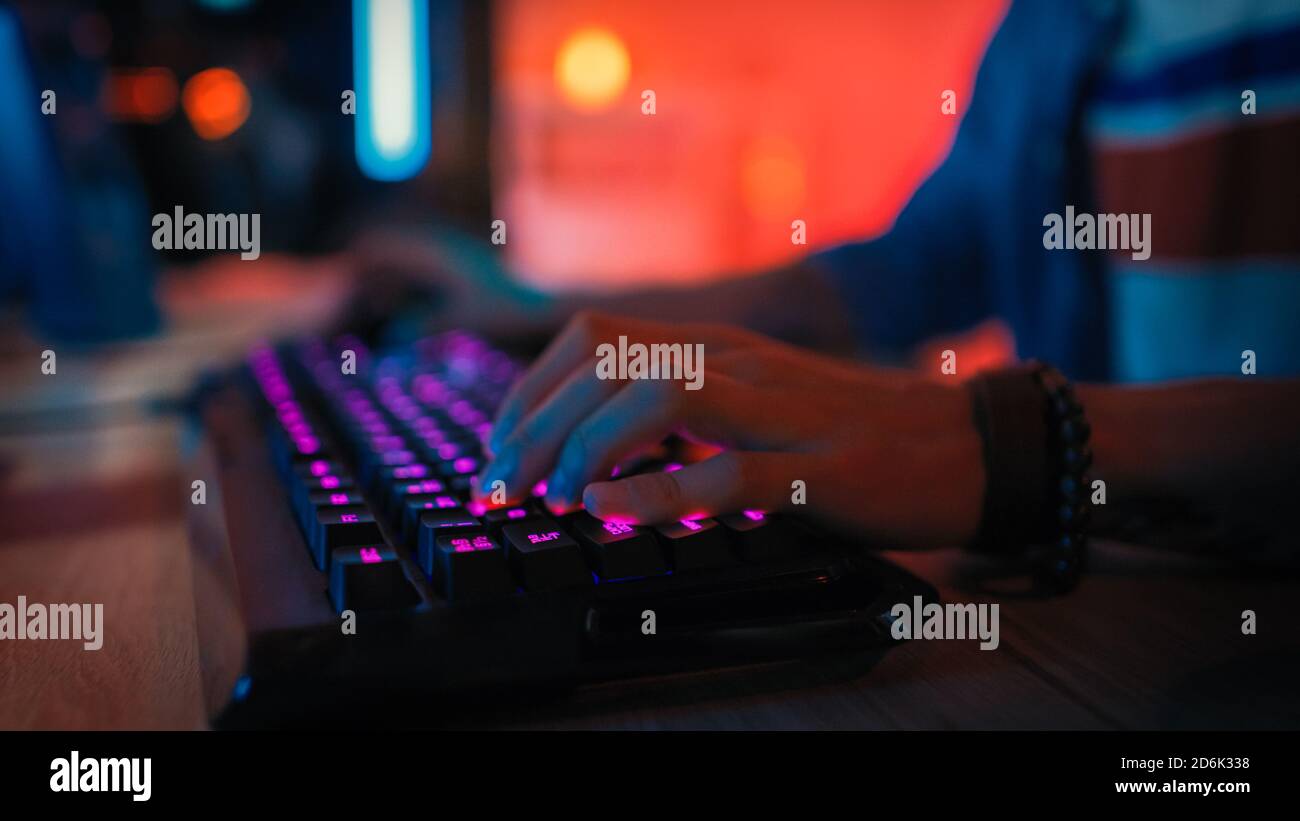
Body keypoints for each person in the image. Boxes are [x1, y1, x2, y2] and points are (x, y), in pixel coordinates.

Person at [343, 0, 1300, 565]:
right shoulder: (1048, 27)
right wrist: (531, 313)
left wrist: (1004, 440)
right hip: (1128, 614)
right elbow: (883, 280)